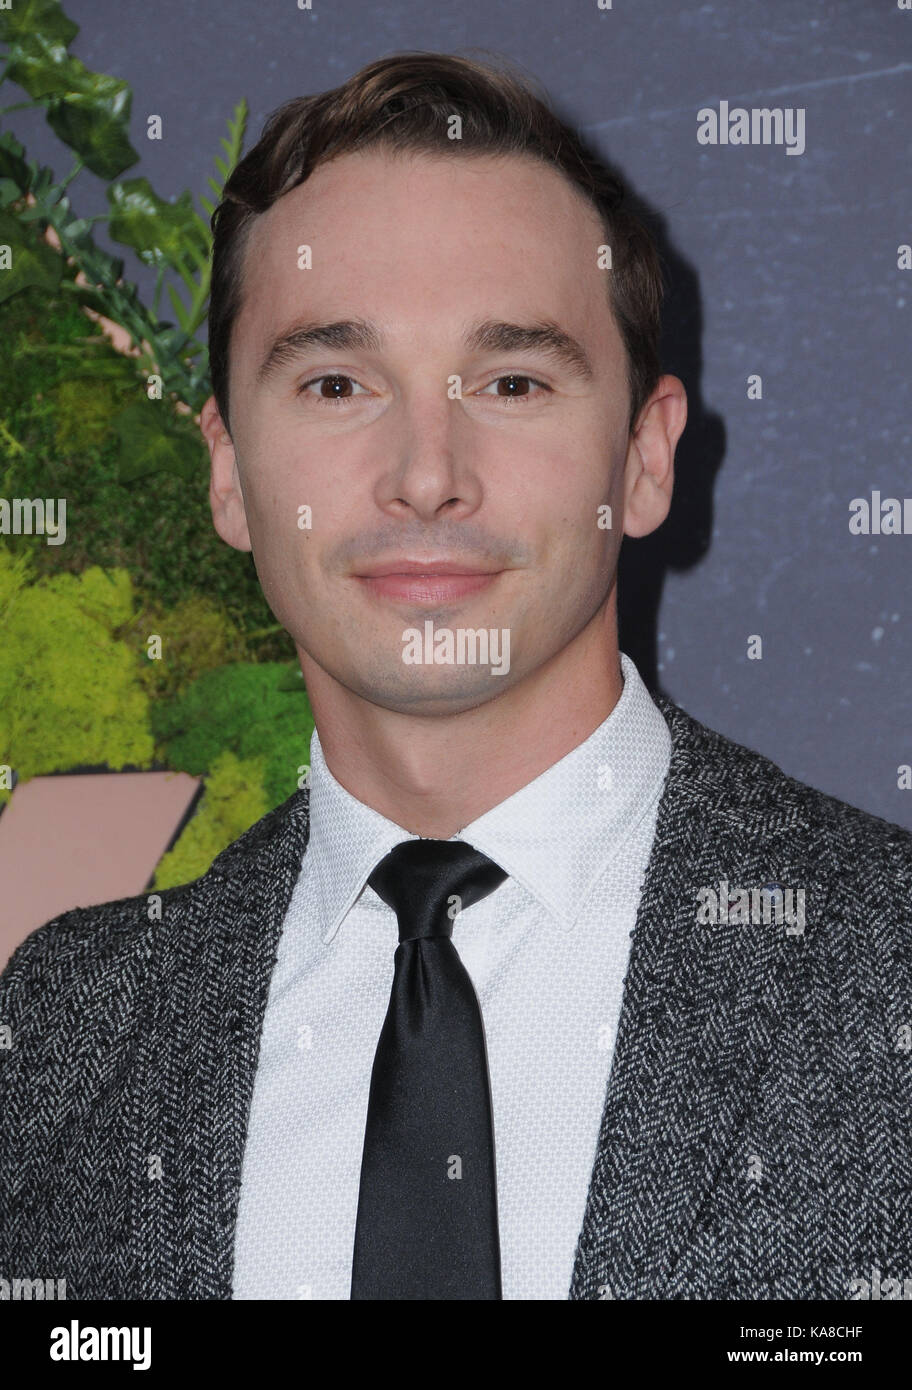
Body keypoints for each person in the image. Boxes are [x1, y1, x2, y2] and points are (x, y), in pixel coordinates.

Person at [1, 51, 910, 1302]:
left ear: (645, 459)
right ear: (224, 469)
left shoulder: (887, 969)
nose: (427, 473)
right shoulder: (62, 1031)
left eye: (512, 382)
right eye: (336, 382)